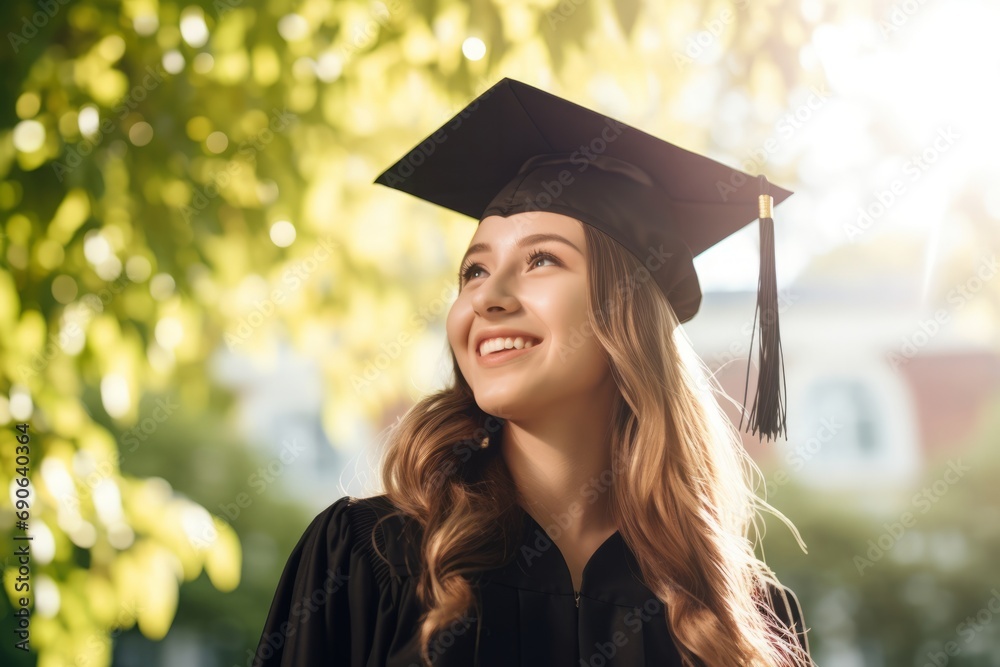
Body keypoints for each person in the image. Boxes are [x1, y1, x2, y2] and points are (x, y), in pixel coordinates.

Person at [253, 78, 815, 666]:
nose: (487, 297)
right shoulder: (370, 556)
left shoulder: (745, 619)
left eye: (541, 259)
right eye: (473, 271)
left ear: (626, 314)